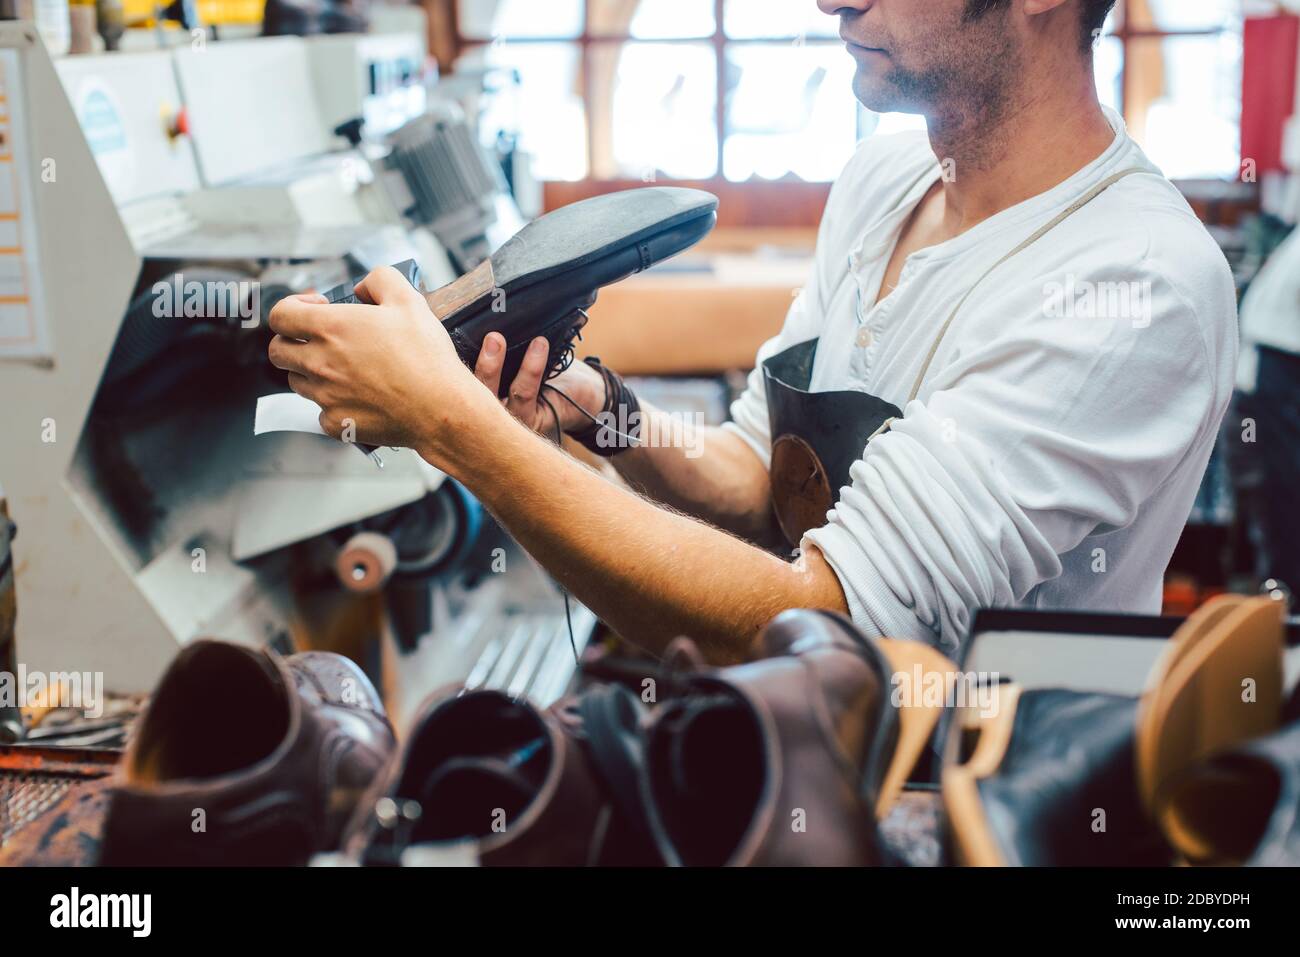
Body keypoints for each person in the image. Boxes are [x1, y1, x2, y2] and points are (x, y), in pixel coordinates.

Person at [267, 0, 1236, 663]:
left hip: (975, 806)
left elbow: (828, 618)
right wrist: (599, 411)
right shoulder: (882, 182)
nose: (831, 2)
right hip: (818, 762)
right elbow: (759, 475)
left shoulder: (1129, 279)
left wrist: (451, 426)